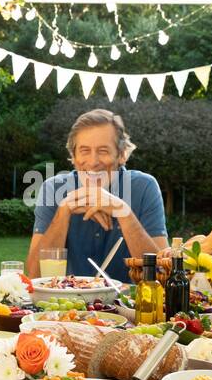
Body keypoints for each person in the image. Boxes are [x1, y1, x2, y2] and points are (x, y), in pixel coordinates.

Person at [26, 109, 167, 283]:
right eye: (84, 150)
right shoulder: (54, 188)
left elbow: (162, 274)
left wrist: (124, 213)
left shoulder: (144, 186)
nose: (93, 162)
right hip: (69, 304)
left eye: (103, 151)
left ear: (122, 155)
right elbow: (34, 276)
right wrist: (63, 213)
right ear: (74, 156)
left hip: (129, 306)